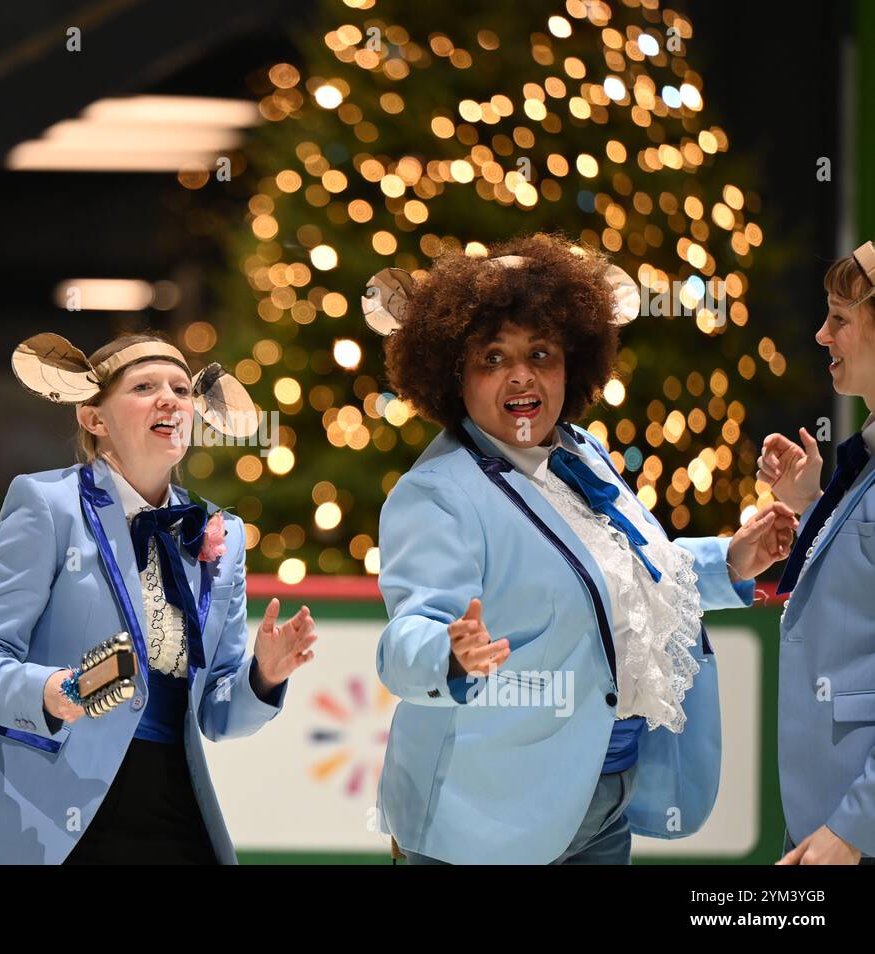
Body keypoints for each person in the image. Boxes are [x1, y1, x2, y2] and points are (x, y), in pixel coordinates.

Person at [365, 234, 796, 863]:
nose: (522, 375)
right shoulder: (436, 494)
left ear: (574, 361)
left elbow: (629, 573)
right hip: (485, 816)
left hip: (603, 797)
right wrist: (447, 654)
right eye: (492, 357)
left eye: (541, 352)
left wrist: (729, 560)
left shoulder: (577, 453)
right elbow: (404, 644)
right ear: (453, 375)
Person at [0, 330, 317, 864]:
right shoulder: (47, 504)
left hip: (168, 803)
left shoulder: (221, 534)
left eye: (182, 390)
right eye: (144, 387)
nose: (170, 399)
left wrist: (264, 676)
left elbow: (218, 717)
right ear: (94, 418)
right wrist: (50, 690)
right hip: (42, 804)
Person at [757, 239, 875, 864]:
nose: (821, 335)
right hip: (828, 820)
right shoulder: (864, 463)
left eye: (840, 318)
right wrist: (810, 506)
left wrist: (857, 827)